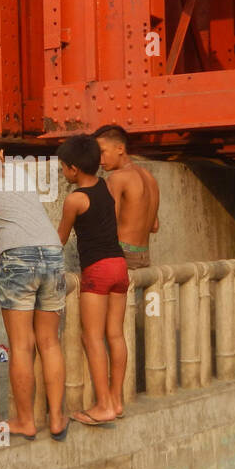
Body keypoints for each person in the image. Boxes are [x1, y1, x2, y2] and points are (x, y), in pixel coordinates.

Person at [0, 134, 70, 441]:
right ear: (1, 151)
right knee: (50, 342)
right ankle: (57, 418)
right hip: (52, 251)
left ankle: (25, 421)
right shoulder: (17, 170)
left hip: (18, 255)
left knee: (21, 345)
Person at [57, 135, 127, 426]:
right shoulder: (105, 187)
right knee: (115, 335)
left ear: (73, 169)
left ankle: (102, 405)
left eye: (63, 167)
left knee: (92, 337)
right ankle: (117, 400)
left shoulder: (75, 199)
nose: (62, 172)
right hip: (120, 266)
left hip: (97, 270)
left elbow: (59, 239)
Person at [94, 124, 159, 270]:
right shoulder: (149, 177)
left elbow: (109, 224)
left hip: (123, 255)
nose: (99, 160)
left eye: (103, 152)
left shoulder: (117, 178)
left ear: (120, 149)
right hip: (144, 256)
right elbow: (154, 226)